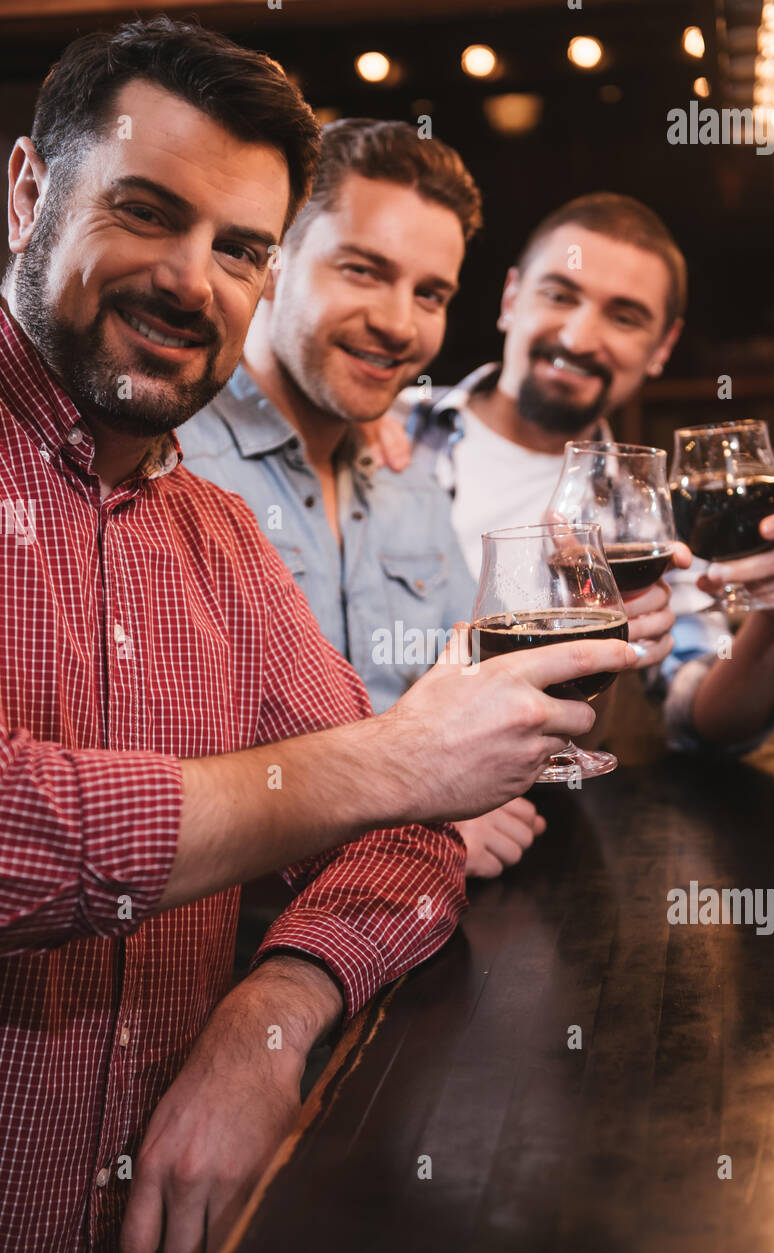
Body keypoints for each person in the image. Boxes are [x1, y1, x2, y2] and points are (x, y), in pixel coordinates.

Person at [0, 19, 634, 1253]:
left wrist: (266, 1019)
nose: (192, 280)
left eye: (238, 247)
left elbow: (409, 832)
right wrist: (397, 758)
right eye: (145, 212)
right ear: (26, 195)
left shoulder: (213, 532)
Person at [181, 123, 668, 878]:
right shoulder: (172, 460)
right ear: (273, 262)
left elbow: (462, 704)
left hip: (408, 952)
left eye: (430, 293)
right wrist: (424, 828)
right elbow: (155, 797)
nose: (398, 324)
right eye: (363, 271)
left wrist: (579, 629)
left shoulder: (403, 467)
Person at [381, 193, 774, 753]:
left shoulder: (647, 519)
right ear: (512, 297)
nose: (578, 338)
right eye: (560, 295)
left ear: (662, 347)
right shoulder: (383, 427)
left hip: (542, 818)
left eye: (624, 316)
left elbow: (705, 716)